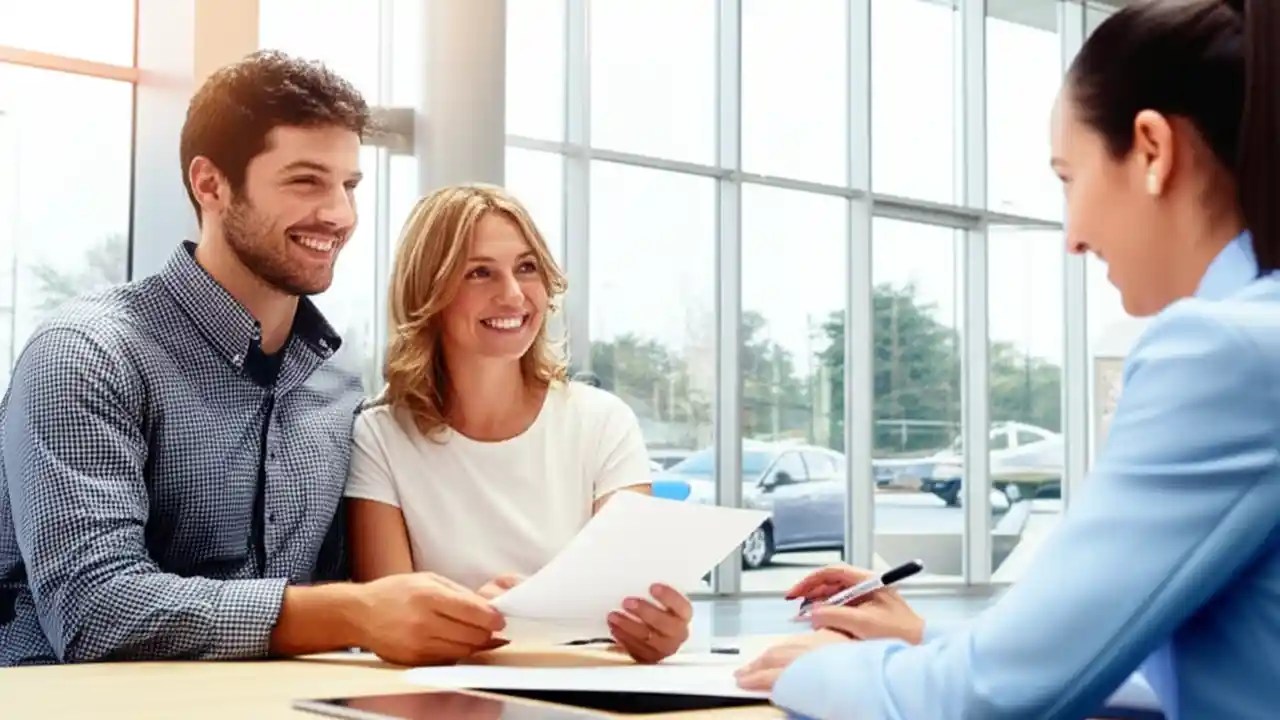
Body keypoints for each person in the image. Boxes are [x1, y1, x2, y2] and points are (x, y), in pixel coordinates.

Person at [735, 0, 1280, 718]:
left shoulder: (1220, 356)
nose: (1073, 237)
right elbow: (1220, 676)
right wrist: (929, 642)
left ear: (1152, 150)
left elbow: (982, 704)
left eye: (1067, 177)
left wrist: (813, 671)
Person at [0, 51, 503, 667]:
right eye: (305, 181)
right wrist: (355, 613)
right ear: (209, 184)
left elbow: (355, 592)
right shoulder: (88, 355)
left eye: (348, 186)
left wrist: (468, 614)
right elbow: (95, 609)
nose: (339, 215)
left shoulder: (339, 387)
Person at [345, 183, 693, 664]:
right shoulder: (379, 437)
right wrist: (490, 616)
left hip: (585, 686)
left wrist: (656, 631)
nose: (512, 295)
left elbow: (630, 605)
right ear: (428, 293)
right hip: (446, 695)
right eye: (479, 273)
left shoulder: (602, 422)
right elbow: (391, 620)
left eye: (526, 268)